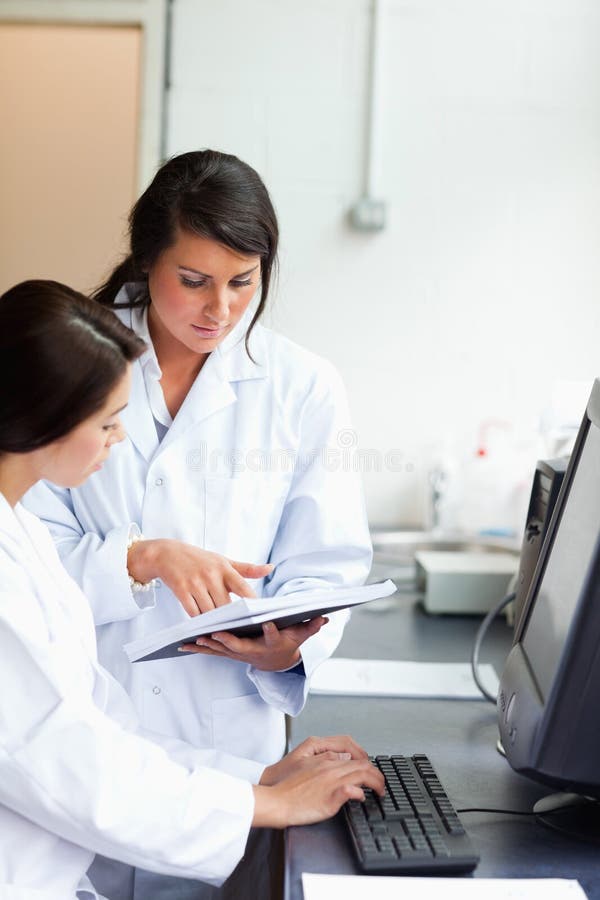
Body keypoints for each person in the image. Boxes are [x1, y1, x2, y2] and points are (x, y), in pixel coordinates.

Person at [24, 150, 372, 898]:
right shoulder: (74, 363)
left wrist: (287, 650)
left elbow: (330, 562)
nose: (219, 309)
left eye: (242, 282)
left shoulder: (301, 387)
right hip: (79, 730)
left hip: (221, 729)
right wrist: (140, 557)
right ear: (147, 261)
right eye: (194, 281)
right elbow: (24, 546)